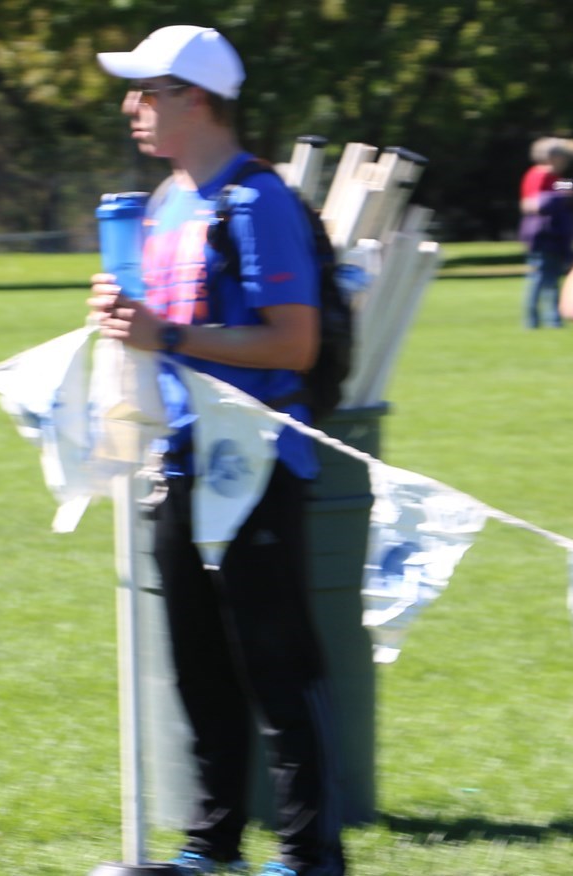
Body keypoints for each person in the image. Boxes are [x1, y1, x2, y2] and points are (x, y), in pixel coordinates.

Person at [88, 26, 347, 876]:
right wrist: (127, 319)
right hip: (181, 462)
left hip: (260, 464)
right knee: (198, 665)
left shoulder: (256, 201)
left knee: (277, 663)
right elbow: (167, 339)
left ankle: (311, 856)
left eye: (147, 91)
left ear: (194, 99)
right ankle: (210, 850)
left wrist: (168, 332)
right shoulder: (164, 204)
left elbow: (293, 344)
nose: (132, 107)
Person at [519, 137, 573, 329]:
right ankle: (532, 320)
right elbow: (533, 204)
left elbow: (571, 190)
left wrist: (567, 189)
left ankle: (553, 319)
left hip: (555, 233)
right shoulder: (540, 174)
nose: (565, 160)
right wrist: (561, 194)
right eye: (562, 155)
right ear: (552, 156)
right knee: (540, 278)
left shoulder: (555, 178)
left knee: (553, 278)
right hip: (543, 233)